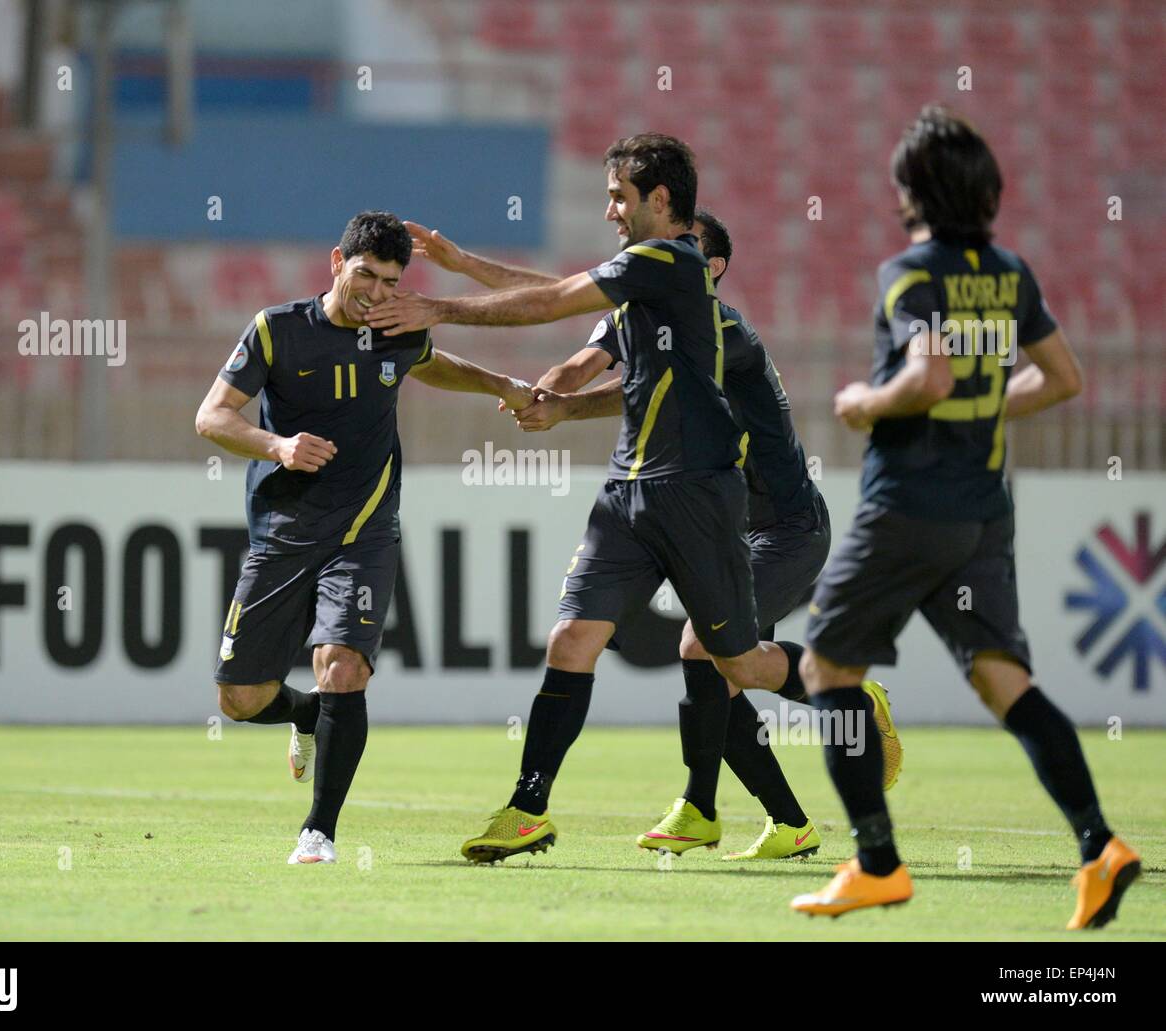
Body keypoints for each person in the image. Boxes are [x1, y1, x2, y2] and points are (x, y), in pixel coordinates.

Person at [412, 207, 904, 861]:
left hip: (783, 526)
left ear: (713, 267)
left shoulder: (724, 332)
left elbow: (589, 328)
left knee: (709, 650)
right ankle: (779, 820)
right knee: (686, 658)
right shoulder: (640, 318)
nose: (655, 260)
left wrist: (462, 296)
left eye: (683, 248)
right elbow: (583, 355)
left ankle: (825, 715)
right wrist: (546, 397)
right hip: (694, 518)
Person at [367, 133, 762, 861]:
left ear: (661, 200)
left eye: (620, 196)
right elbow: (556, 293)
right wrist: (463, 267)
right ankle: (529, 807)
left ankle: (844, 688)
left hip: (697, 491)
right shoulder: (643, 277)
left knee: (738, 663)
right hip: (629, 492)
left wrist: (439, 308)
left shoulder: (669, 261)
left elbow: (550, 300)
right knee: (573, 637)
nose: (610, 209)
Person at [791, 106, 1139, 928]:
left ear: (913, 189)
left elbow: (930, 376)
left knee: (826, 671)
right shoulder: (1012, 273)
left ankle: (876, 861)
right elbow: (1063, 378)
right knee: (1004, 680)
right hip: (984, 517)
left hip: (908, 508)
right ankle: (1099, 845)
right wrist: (982, 410)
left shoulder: (911, 271)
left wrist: (864, 402)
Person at [194, 210, 534, 864]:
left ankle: (318, 831)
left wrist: (501, 385)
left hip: (363, 531)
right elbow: (212, 416)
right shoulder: (277, 330)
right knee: (239, 697)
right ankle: (303, 717)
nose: (378, 292)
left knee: (343, 667)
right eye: (366, 275)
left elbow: (434, 363)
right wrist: (278, 445)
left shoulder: (396, 328)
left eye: (390, 279)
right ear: (335, 263)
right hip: (285, 534)